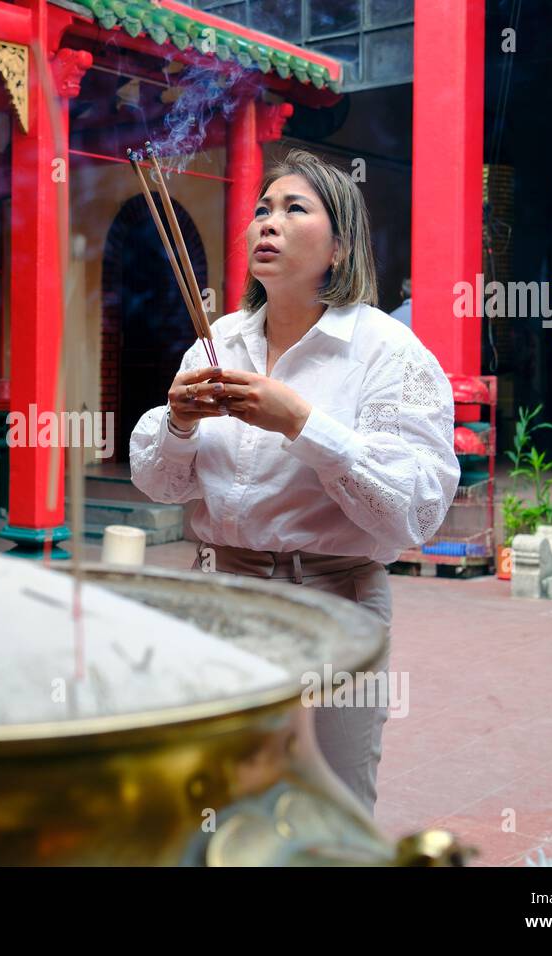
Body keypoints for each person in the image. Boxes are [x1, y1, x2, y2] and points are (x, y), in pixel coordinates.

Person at [130, 149, 459, 815]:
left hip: (335, 603)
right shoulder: (217, 343)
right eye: (261, 210)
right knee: (222, 804)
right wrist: (180, 423)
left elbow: (414, 511)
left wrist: (303, 422)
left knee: (329, 811)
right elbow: (162, 488)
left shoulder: (388, 354)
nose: (267, 224)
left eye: (293, 209)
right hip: (226, 596)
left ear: (339, 247)